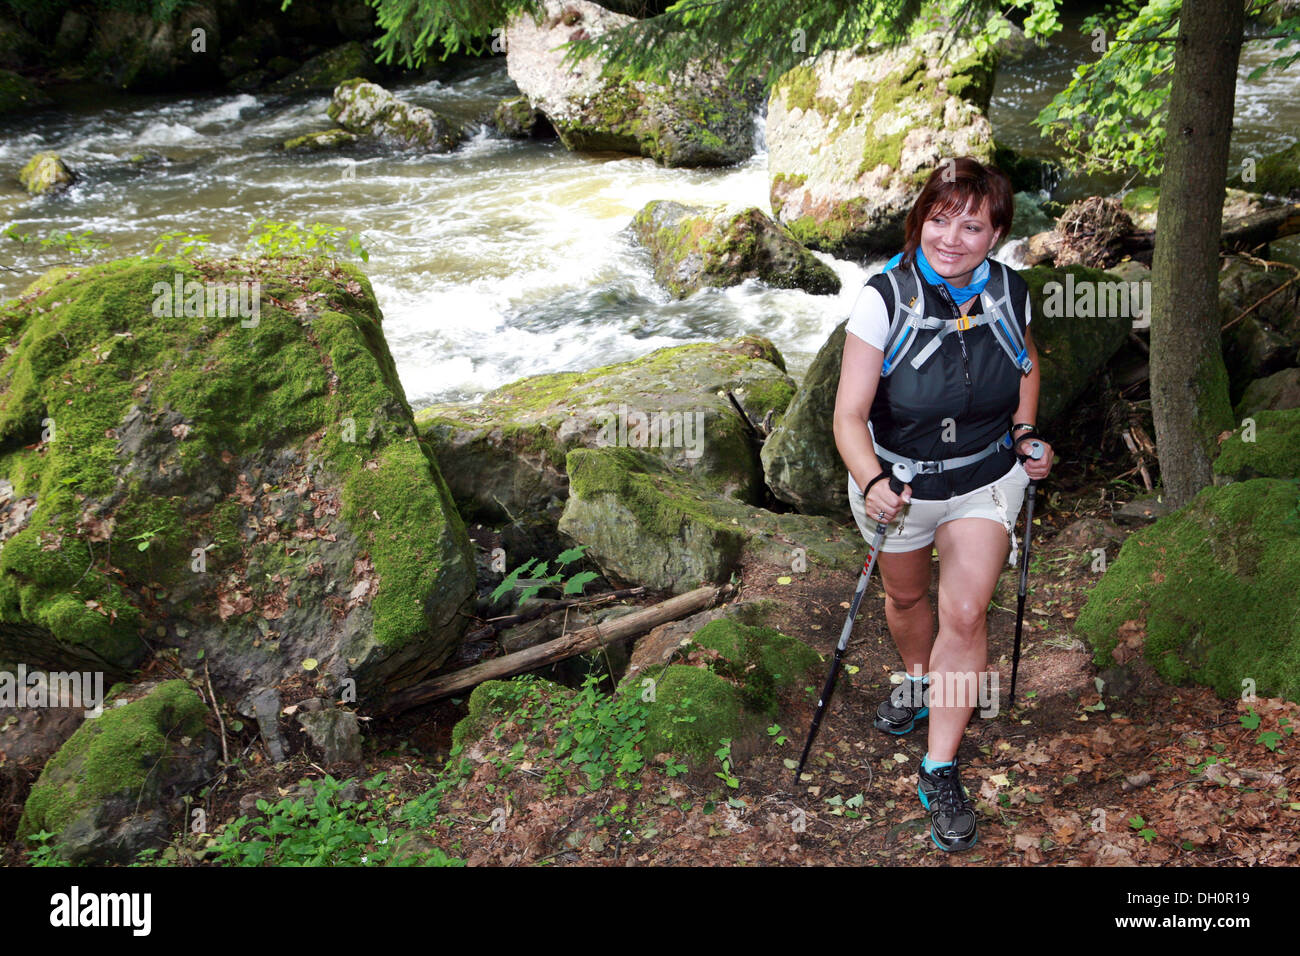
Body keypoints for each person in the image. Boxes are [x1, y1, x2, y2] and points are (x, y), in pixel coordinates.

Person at [832, 157, 1053, 852]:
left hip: (983, 480)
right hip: (895, 486)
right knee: (906, 603)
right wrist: (871, 480)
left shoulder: (1010, 294)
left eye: (972, 224)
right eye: (939, 219)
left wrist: (1025, 434)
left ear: (996, 234)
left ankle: (939, 767)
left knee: (963, 611)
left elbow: (1025, 363)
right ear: (918, 220)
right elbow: (847, 416)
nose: (951, 237)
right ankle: (919, 678)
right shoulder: (884, 298)